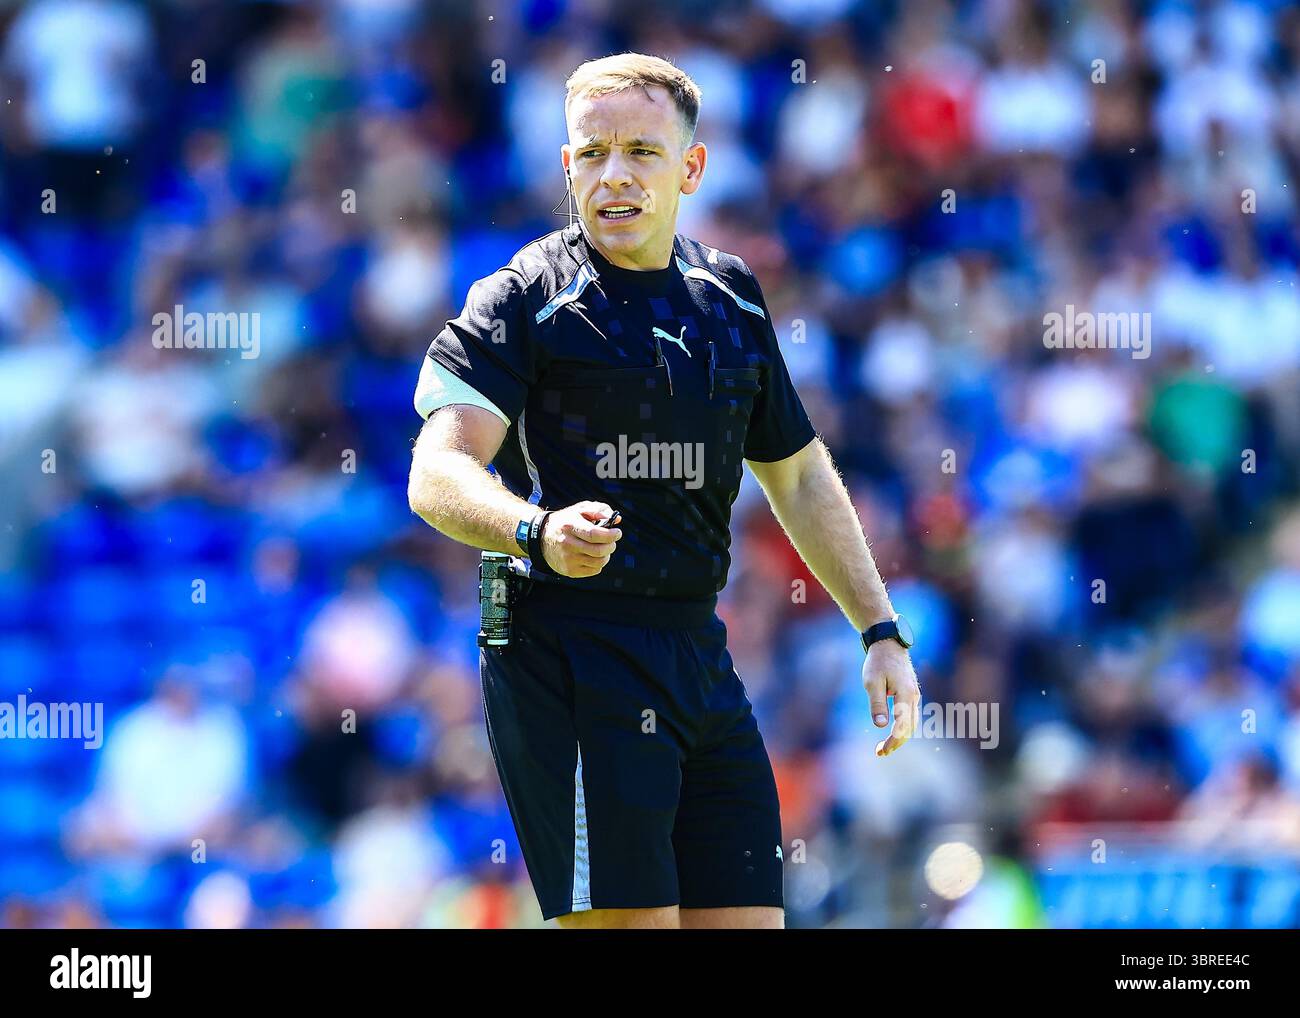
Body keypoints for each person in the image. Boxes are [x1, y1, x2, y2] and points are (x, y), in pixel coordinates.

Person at [408, 52, 920, 929]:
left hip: (697, 652)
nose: (615, 174)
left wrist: (879, 629)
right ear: (567, 168)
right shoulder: (521, 298)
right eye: (593, 153)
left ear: (691, 168)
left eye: (642, 152)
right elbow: (435, 473)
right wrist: (535, 530)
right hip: (566, 652)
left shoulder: (732, 298)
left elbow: (795, 471)